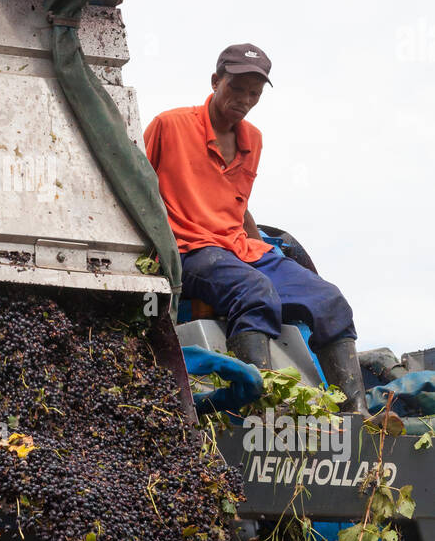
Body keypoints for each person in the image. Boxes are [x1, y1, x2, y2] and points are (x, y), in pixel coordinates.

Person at [143, 43, 370, 414]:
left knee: (329, 301)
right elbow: (135, 185)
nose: (244, 99)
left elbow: (238, 203)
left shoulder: (254, 139)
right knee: (254, 290)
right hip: (187, 249)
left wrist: (265, 247)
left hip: (237, 248)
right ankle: (262, 407)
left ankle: (356, 413)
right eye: (236, 88)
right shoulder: (170, 125)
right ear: (216, 81)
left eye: (254, 93)